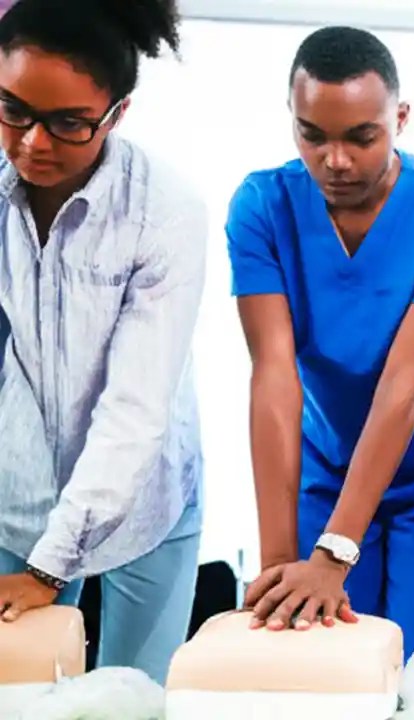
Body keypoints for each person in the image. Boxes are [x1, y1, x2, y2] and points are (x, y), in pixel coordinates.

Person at [227, 26, 414, 669]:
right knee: (315, 668)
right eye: (313, 135)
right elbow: (273, 378)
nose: (336, 160)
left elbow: (406, 380)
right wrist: (280, 565)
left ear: (399, 119)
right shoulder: (262, 206)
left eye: (360, 136)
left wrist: (335, 553)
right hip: (325, 467)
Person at [0, 0, 205, 684]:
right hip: (18, 501)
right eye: (13, 110)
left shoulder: (165, 212)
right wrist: (33, 555)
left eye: (67, 124)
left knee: (130, 700)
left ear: (116, 114)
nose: (33, 143)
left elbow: (135, 409)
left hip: (144, 503)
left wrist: (49, 566)